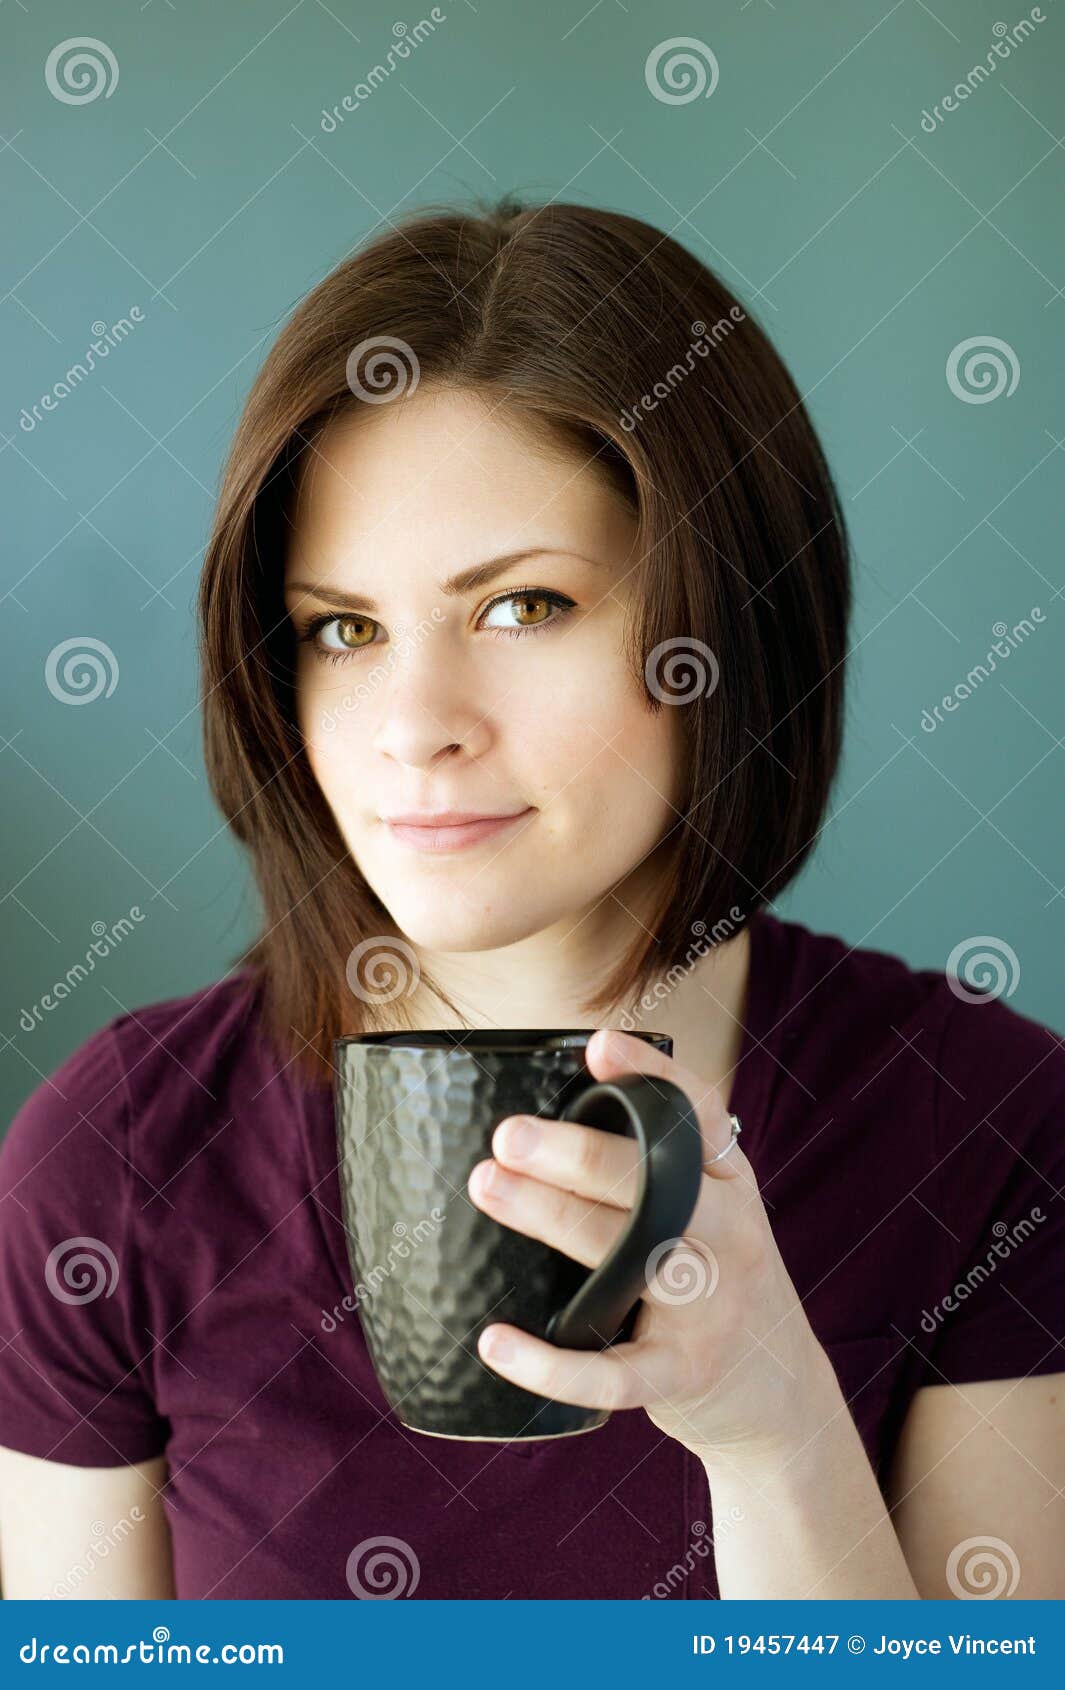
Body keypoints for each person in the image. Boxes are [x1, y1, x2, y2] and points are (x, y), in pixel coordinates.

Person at [0, 196, 1061, 1602]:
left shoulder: (986, 1127)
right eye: (343, 629)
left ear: (726, 621)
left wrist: (774, 1434)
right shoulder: (116, 1154)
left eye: (522, 607)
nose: (413, 725)